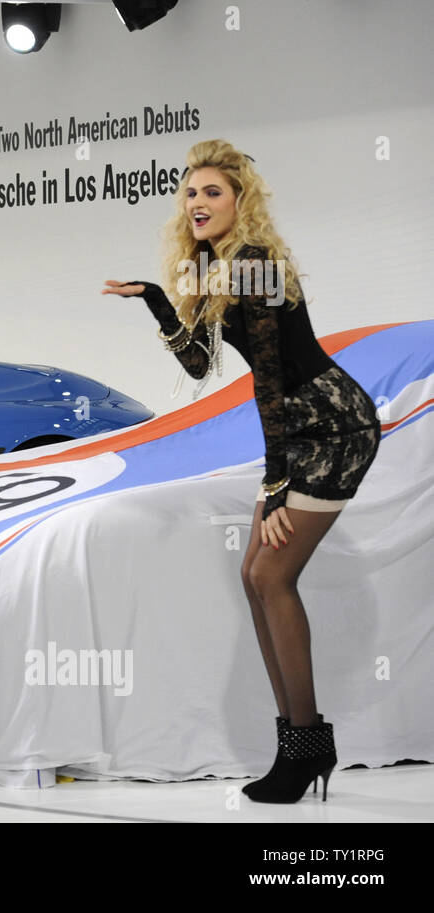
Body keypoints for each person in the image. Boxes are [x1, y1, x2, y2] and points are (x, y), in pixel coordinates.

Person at [101, 139, 381, 804]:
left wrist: (277, 479)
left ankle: (306, 746)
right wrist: (154, 300)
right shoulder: (210, 265)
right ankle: (301, 744)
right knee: (252, 573)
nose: (198, 203)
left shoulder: (254, 262)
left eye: (213, 193)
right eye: (191, 194)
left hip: (333, 425)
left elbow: (272, 378)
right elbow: (200, 365)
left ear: (240, 201)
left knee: (270, 573)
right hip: (300, 426)